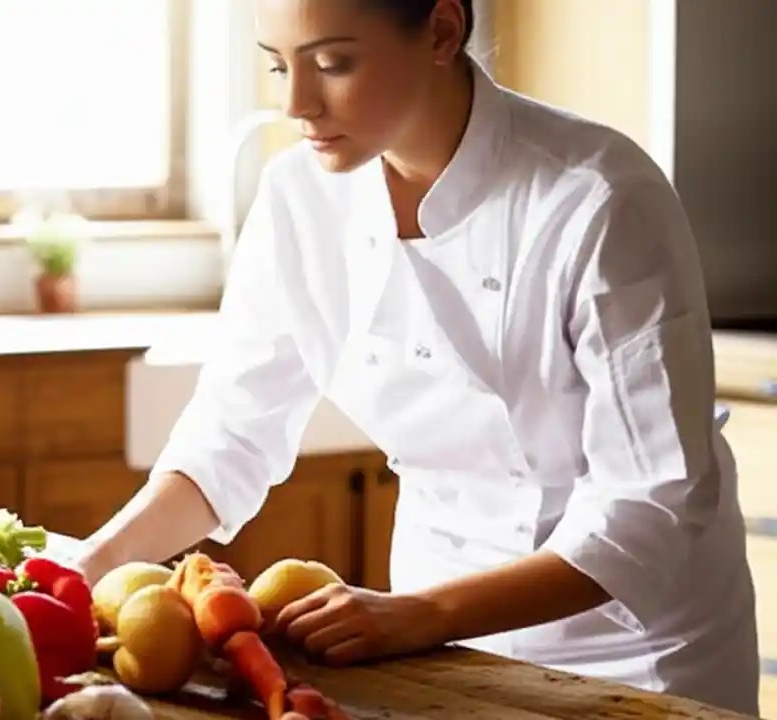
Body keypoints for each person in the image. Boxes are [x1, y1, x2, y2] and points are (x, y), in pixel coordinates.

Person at [73, 0, 760, 714]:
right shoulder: (296, 197)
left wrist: (426, 613)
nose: (296, 104)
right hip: (431, 643)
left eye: (333, 63)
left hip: (632, 650)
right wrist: (92, 564)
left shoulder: (598, 196)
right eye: (278, 65)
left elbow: (650, 501)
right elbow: (232, 431)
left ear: (440, 31)